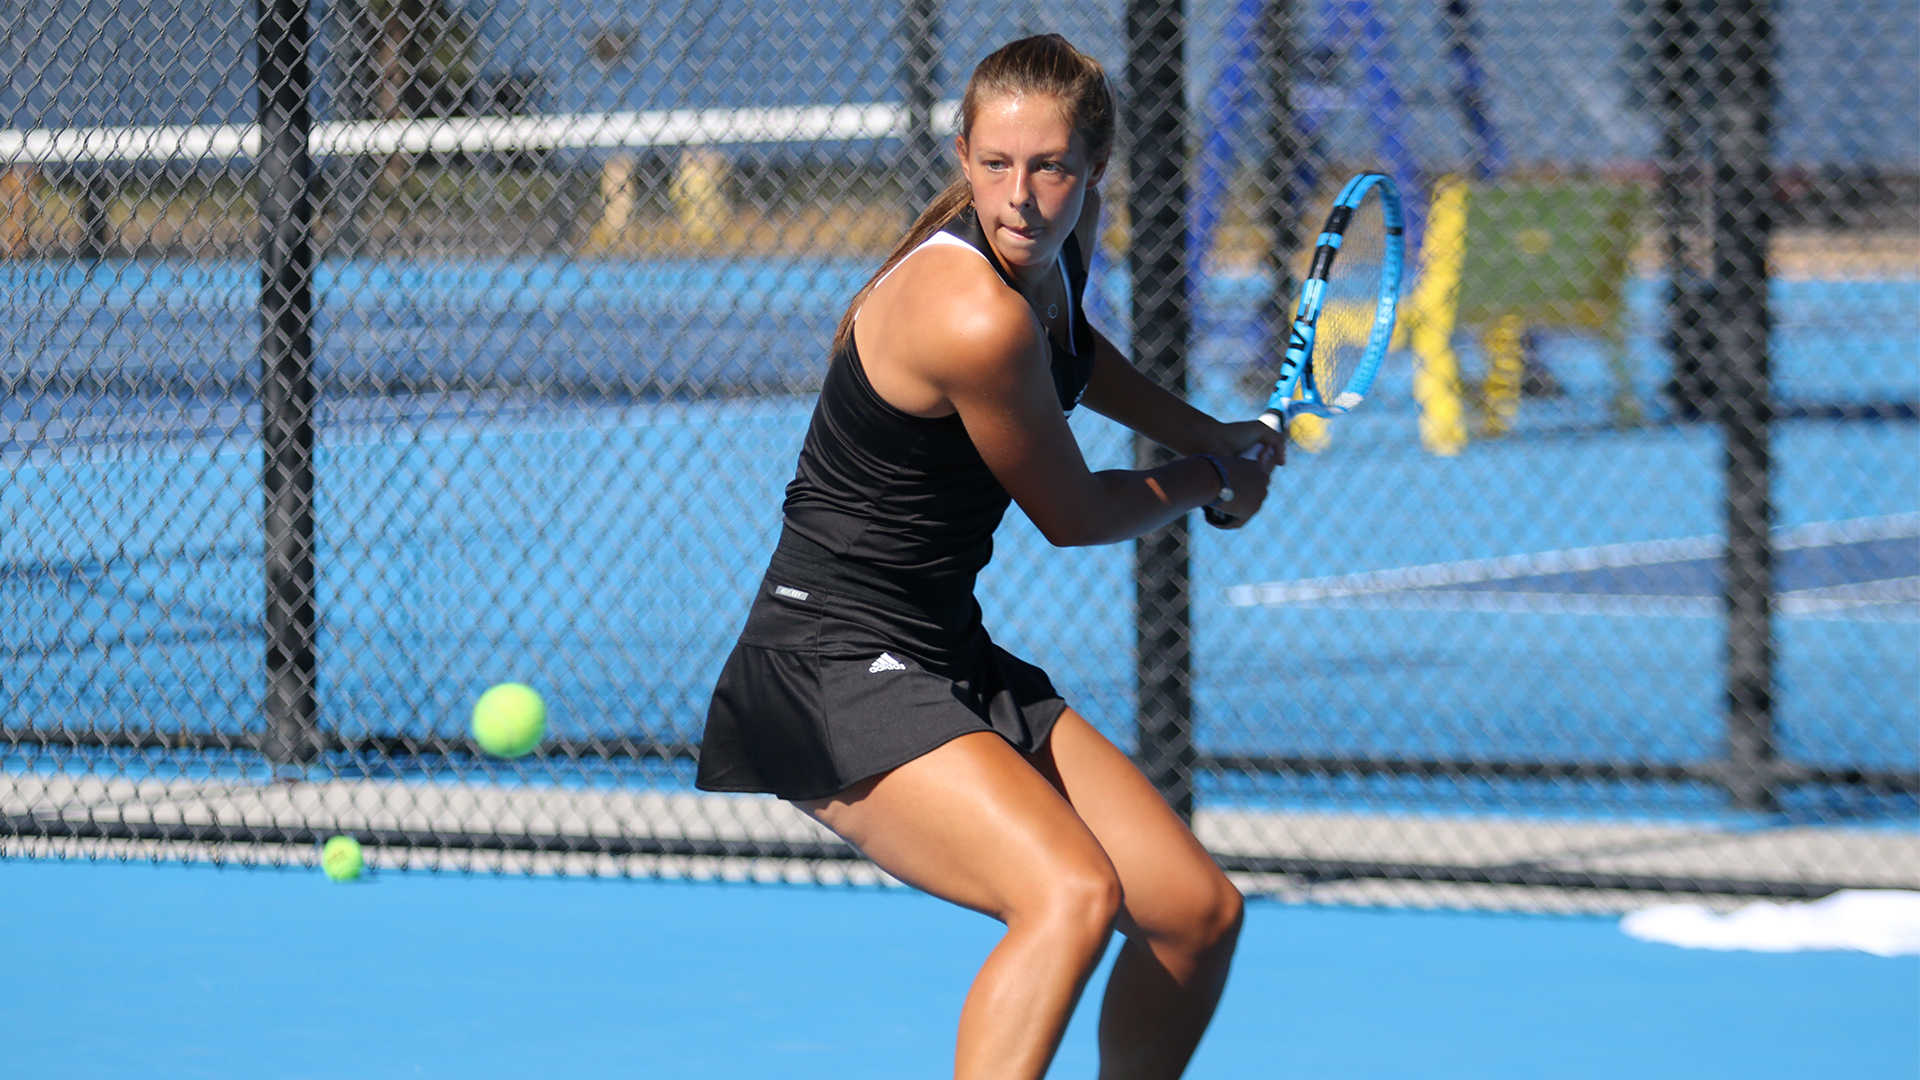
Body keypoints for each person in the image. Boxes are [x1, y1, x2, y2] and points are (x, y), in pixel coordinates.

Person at [696, 33, 1284, 1080]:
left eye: (1050, 166)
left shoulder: (1051, 256)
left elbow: (1077, 357)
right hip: (829, 665)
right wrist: (1213, 479)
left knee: (1197, 913)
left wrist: (1210, 434)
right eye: (997, 164)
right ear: (963, 155)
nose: (1022, 194)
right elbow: (1073, 512)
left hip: (940, 649)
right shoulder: (968, 307)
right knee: (1069, 896)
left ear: (1093, 168)